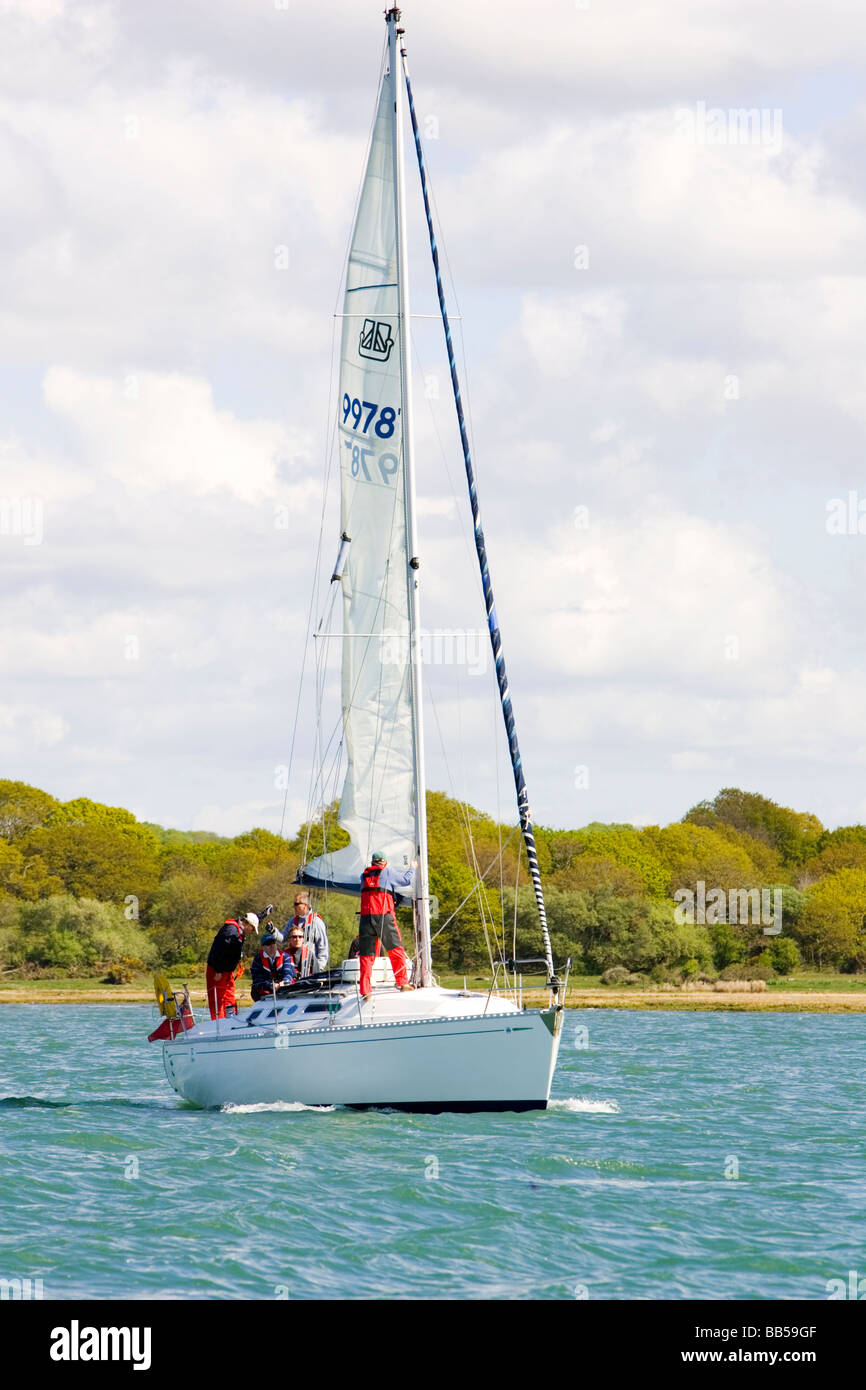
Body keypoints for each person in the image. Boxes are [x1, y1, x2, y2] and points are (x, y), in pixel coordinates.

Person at [358, 853, 416, 999]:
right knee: (396, 949)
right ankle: (403, 984)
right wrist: (413, 868)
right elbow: (405, 881)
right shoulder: (387, 871)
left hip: (365, 919)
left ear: (372, 862)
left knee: (366, 955)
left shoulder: (363, 876)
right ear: (385, 862)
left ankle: (366, 991)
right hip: (383, 917)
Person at [206, 911, 259, 1019]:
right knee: (218, 999)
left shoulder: (237, 930)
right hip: (217, 970)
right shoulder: (231, 931)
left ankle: (231, 1018)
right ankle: (218, 1022)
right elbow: (220, 950)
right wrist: (218, 970)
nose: (252, 931)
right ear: (247, 924)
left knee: (229, 996)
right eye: (252, 929)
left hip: (227, 971)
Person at [283, 891, 329, 976]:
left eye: (296, 904)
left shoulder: (317, 922)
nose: (294, 906)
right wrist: (273, 932)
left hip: (310, 968)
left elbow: (323, 947)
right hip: (294, 967)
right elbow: (283, 937)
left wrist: (318, 969)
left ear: (305, 905)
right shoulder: (293, 921)